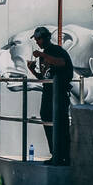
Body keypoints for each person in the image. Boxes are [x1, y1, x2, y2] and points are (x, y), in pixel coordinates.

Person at [27, 26, 74, 164]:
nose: (37, 42)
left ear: (46, 38)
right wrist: (32, 70)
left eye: (39, 39)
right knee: (47, 120)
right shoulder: (45, 54)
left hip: (59, 94)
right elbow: (44, 77)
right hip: (48, 93)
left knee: (60, 123)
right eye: (36, 40)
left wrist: (42, 55)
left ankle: (64, 156)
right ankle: (55, 154)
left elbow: (61, 62)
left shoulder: (56, 51)